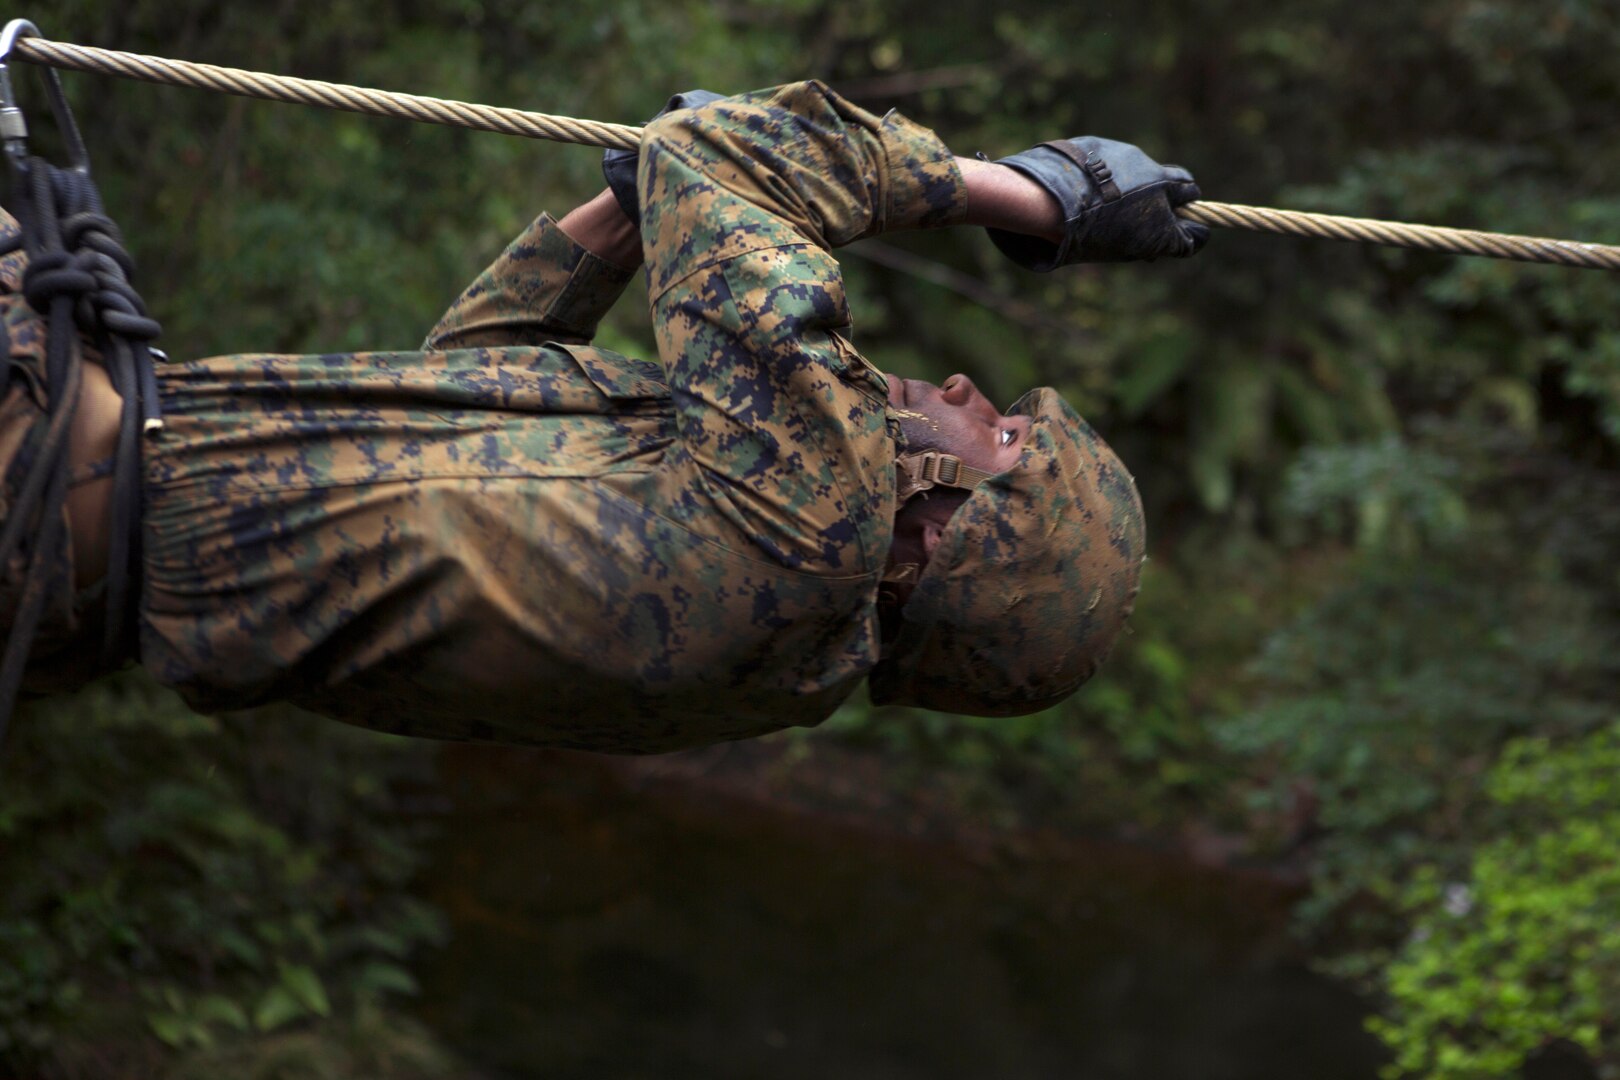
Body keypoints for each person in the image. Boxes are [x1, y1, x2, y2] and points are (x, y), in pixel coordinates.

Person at [0, 81, 1206, 751]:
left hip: (57, 468)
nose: (960, 392)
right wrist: (627, 209)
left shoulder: (814, 529)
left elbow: (725, 154)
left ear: (953, 546)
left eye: (1002, 434)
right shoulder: (759, 632)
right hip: (67, 514)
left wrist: (1037, 197)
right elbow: (464, 385)